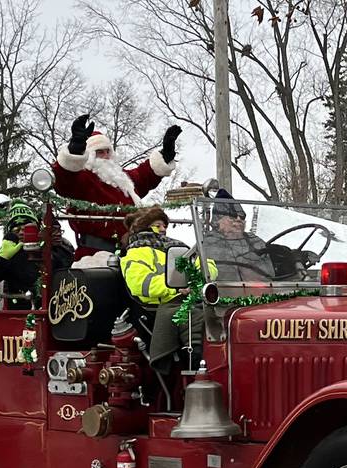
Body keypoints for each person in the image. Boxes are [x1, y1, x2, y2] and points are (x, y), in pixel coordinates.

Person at [52, 114, 183, 259]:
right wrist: (75, 151)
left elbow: (143, 176)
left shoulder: (122, 179)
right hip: (95, 256)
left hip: (131, 251)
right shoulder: (83, 179)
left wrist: (165, 154)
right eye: (100, 152)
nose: (106, 156)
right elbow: (65, 180)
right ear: (89, 156)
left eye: (108, 151)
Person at [120, 206, 215, 373]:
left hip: (193, 297)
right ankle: (194, 366)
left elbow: (209, 267)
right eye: (158, 225)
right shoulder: (136, 253)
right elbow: (141, 284)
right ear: (144, 226)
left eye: (165, 225)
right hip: (157, 306)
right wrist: (176, 289)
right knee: (191, 314)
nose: (163, 229)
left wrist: (195, 281)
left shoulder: (178, 248)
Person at [0, 203, 75, 309]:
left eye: (27, 229)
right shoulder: (9, 256)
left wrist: (45, 246)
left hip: (55, 309)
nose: (22, 233)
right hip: (21, 313)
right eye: (16, 230)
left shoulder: (52, 249)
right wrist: (2, 257)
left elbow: (64, 262)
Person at [199, 190, 277, 282]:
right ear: (218, 221)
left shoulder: (254, 240)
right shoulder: (211, 243)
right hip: (230, 295)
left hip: (268, 293)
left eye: (242, 216)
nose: (239, 219)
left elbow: (271, 278)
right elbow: (225, 284)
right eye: (232, 216)